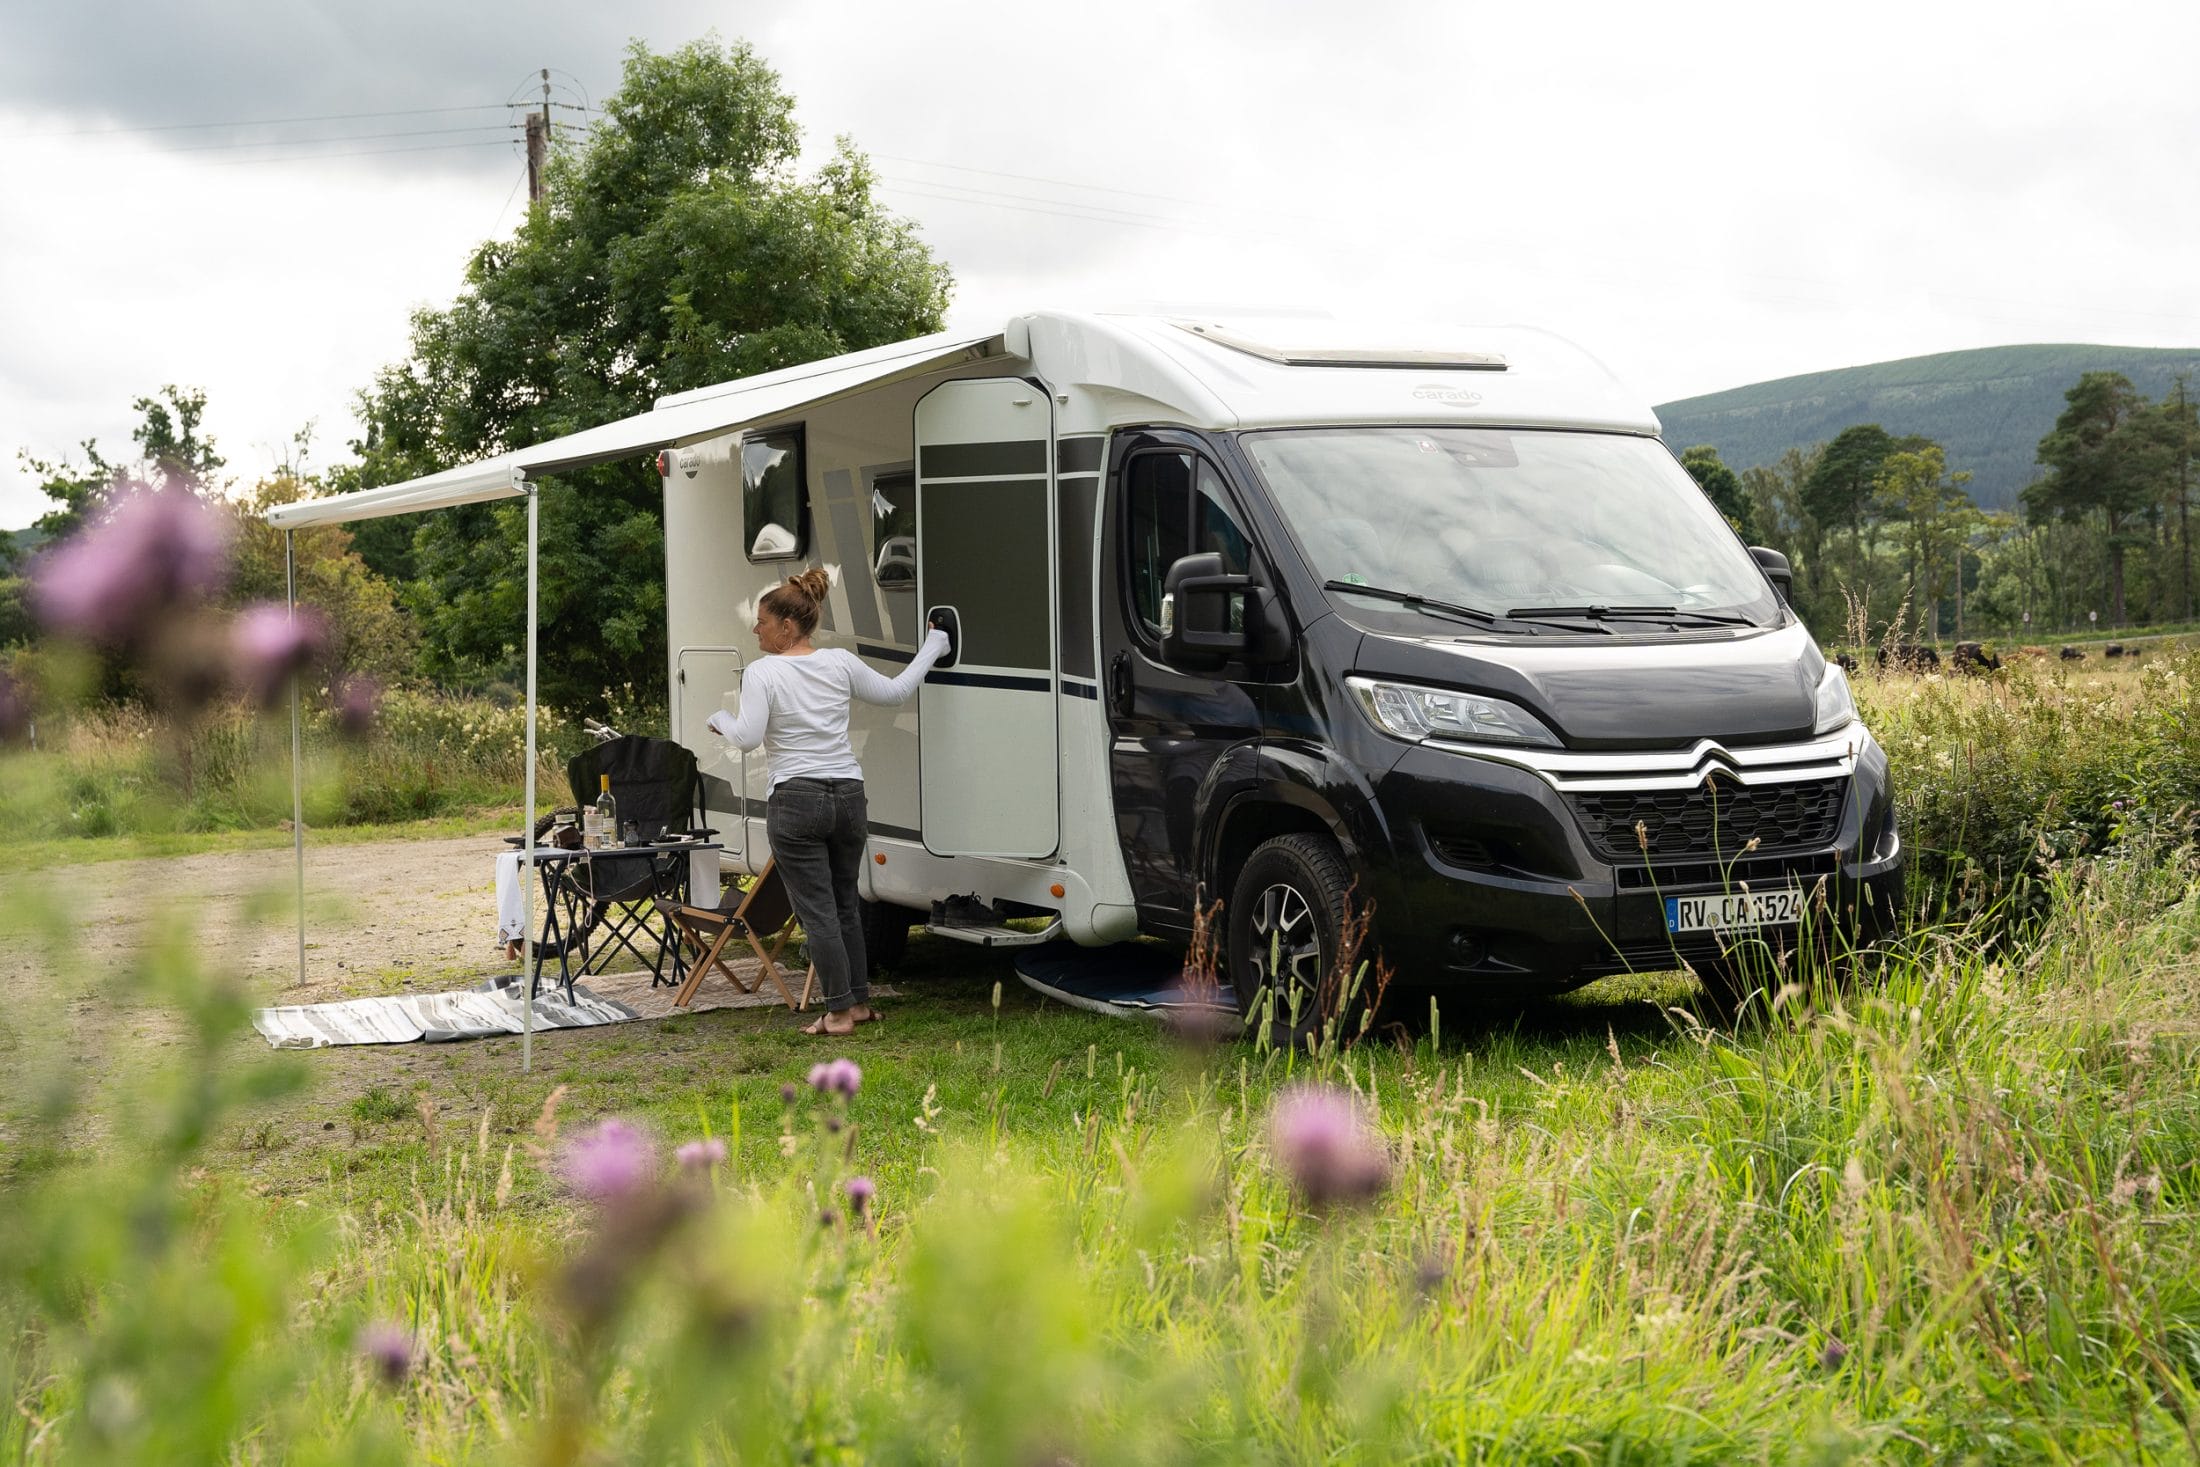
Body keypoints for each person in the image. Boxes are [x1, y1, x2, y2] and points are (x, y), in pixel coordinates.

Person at [712, 567, 951, 1035]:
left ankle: (838, 1012)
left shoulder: (763, 672)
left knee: (817, 912)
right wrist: (934, 645)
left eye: (762, 621)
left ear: (787, 626)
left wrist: (719, 718)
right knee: (845, 906)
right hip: (847, 796)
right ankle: (857, 1004)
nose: (755, 629)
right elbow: (896, 692)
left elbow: (746, 738)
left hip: (797, 799)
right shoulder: (840, 662)